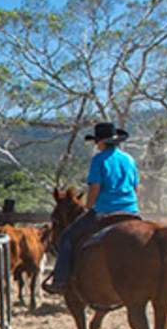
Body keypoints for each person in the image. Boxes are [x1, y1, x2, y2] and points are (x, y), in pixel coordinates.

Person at [45, 122, 141, 293]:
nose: (96, 145)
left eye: (97, 141)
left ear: (101, 142)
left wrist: (89, 207)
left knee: (67, 237)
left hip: (105, 211)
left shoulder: (99, 159)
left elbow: (95, 187)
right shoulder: (129, 159)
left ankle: (60, 280)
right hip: (131, 211)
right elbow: (135, 188)